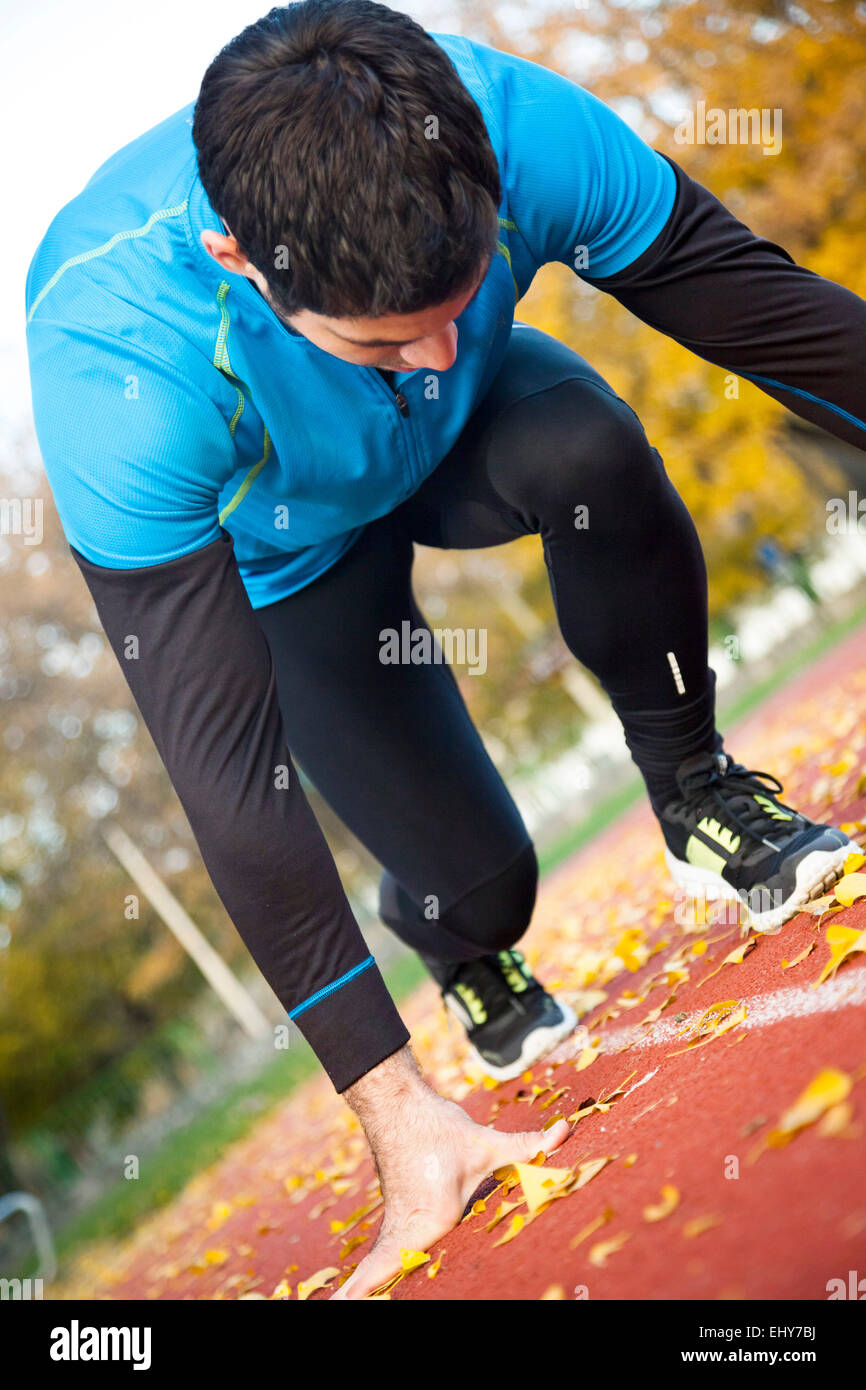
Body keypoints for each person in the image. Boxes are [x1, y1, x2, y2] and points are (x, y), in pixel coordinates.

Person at [24, 1, 864, 1298]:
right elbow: (225, 775)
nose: (426, 354)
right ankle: (462, 943)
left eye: (455, 298)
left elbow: (781, 325)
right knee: (485, 890)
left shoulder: (515, 124)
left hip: (476, 446)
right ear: (241, 261)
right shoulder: (111, 365)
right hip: (291, 561)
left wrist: (453, 343)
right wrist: (393, 1106)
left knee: (584, 442)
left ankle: (701, 800)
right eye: (380, 334)